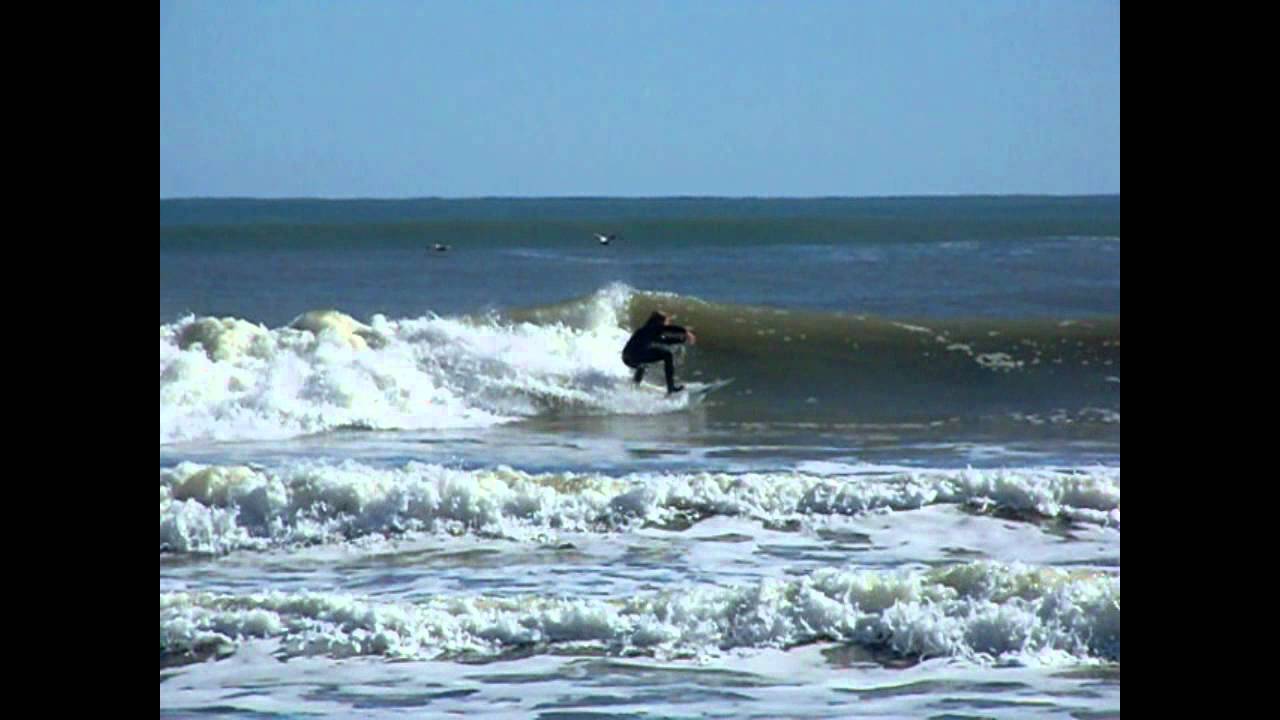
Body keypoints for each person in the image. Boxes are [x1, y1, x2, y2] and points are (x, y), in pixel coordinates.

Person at [622, 311, 697, 394]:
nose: (667, 323)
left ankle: (634, 385)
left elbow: (664, 340)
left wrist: (681, 340)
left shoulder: (646, 330)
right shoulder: (654, 328)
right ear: (660, 321)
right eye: (666, 321)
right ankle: (671, 387)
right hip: (635, 355)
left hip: (627, 357)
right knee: (667, 355)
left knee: (642, 365)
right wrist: (686, 332)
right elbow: (668, 329)